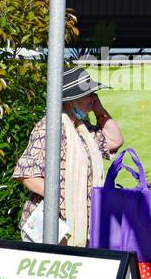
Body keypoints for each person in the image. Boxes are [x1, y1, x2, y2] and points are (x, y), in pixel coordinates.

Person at [14, 66, 122, 246]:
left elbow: (115, 140)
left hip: (78, 226)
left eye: (94, 94)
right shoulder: (49, 127)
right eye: (88, 94)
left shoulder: (83, 130)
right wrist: (65, 201)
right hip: (53, 227)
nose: (93, 97)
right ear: (70, 100)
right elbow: (27, 175)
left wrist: (99, 110)